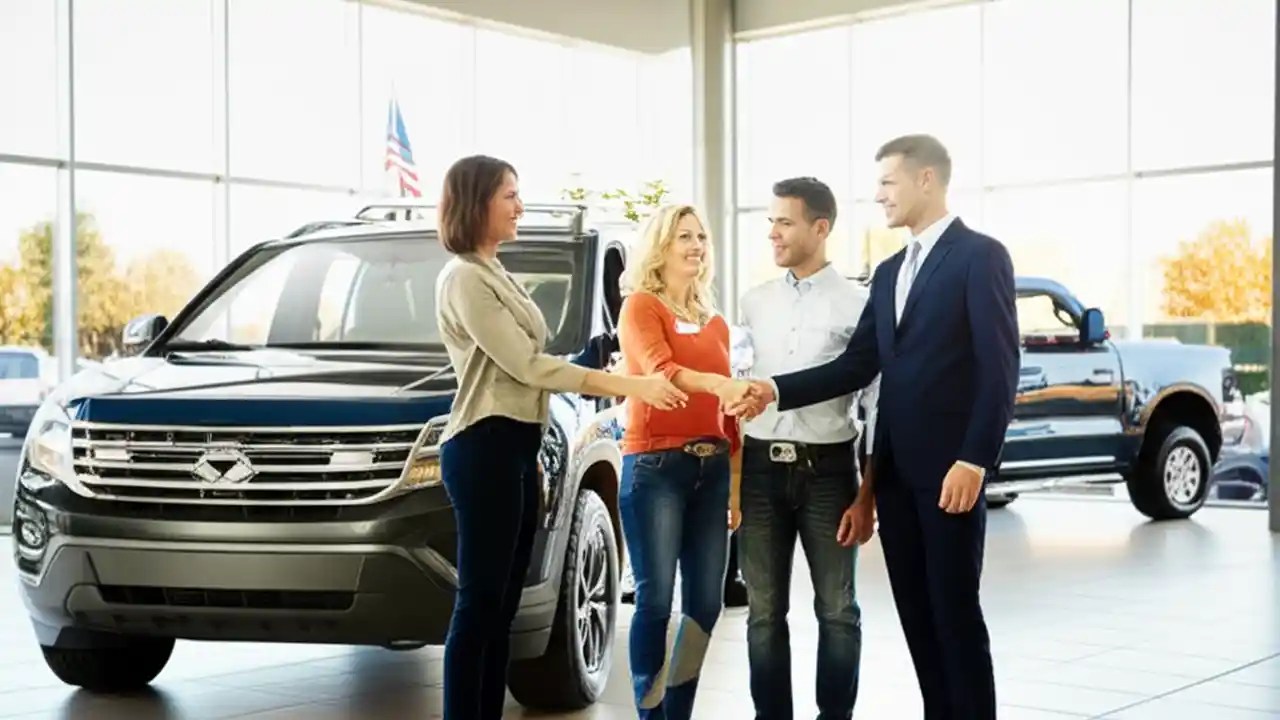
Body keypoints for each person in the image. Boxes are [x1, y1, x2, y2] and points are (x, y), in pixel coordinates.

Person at [728, 135, 1019, 720]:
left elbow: (999, 367)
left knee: (955, 615)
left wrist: (975, 459)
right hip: (897, 477)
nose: (879, 194)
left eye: (888, 182)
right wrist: (776, 390)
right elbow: (859, 368)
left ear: (926, 180)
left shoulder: (979, 256)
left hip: (950, 475)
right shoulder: (887, 274)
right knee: (915, 615)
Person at [433, 154, 688, 720]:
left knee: (500, 608)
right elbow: (524, 366)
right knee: (477, 605)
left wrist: (585, 361)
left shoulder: (495, 270)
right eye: (509, 195)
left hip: (520, 445)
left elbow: (523, 365)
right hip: (483, 447)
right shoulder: (464, 278)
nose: (519, 205)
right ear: (477, 203)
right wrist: (628, 384)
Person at [735, 177, 878, 720]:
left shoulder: (859, 304)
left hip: (830, 473)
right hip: (759, 472)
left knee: (838, 611)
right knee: (763, 614)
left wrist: (867, 493)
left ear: (820, 228)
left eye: (784, 222)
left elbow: (873, 404)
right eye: (770, 221)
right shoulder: (753, 303)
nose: (772, 232)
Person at [616, 203, 752, 720]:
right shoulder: (641, 307)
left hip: (713, 470)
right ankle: (651, 715)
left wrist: (735, 485)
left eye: (701, 237)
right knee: (655, 601)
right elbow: (661, 372)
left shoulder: (715, 323)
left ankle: (677, 713)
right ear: (661, 247)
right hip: (656, 468)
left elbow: (728, 415)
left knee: (705, 605)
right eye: (684, 237)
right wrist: (720, 383)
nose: (696, 246)